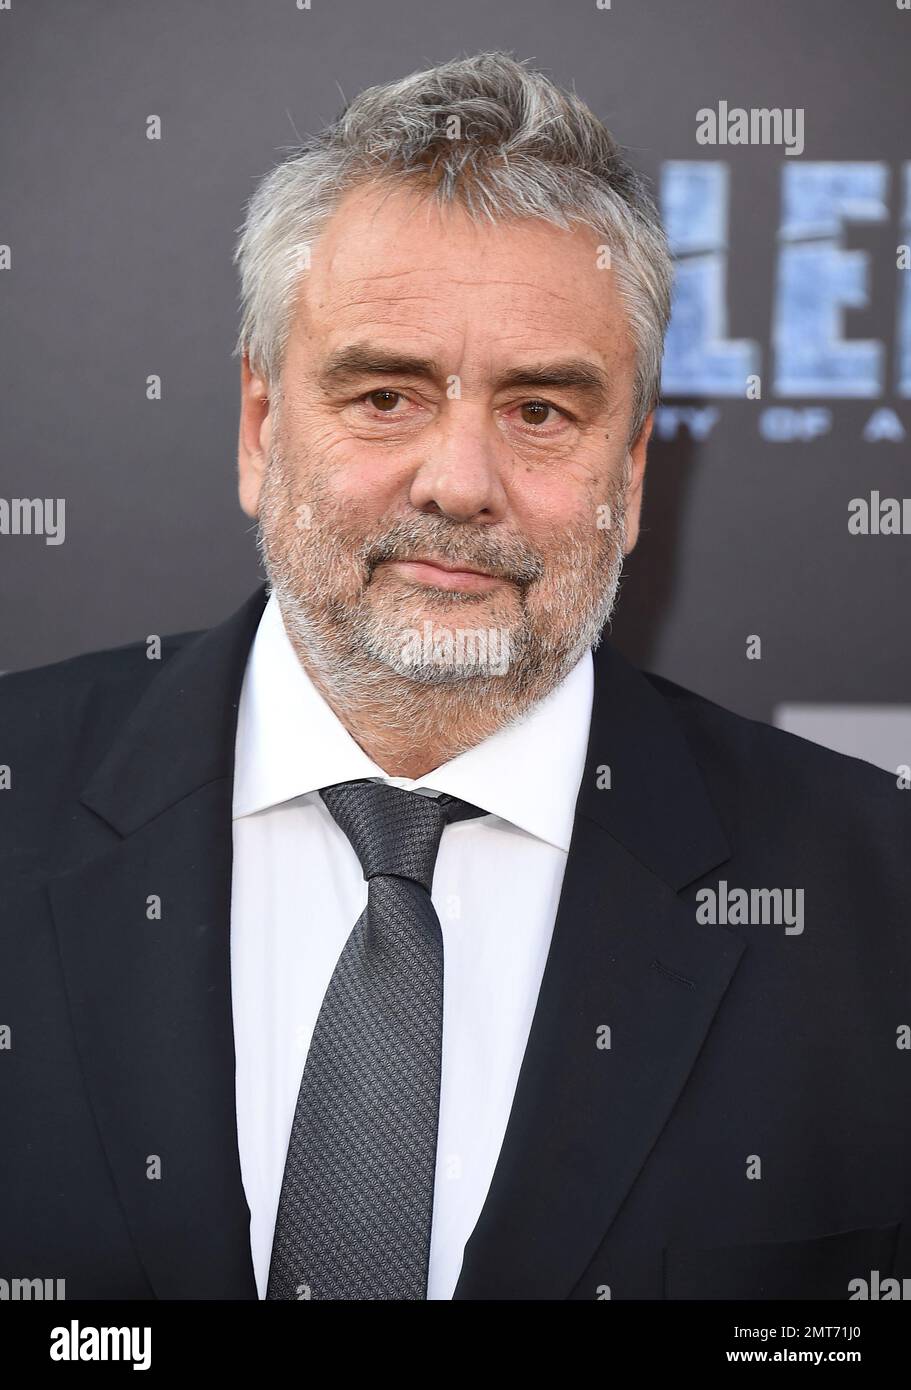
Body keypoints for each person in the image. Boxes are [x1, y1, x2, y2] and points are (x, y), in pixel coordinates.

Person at [2, 50, 909, 1302]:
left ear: (633, 476)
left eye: (540, 411)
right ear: (261, 430)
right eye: (384, 394)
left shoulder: (874, 898)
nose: (459, 481)